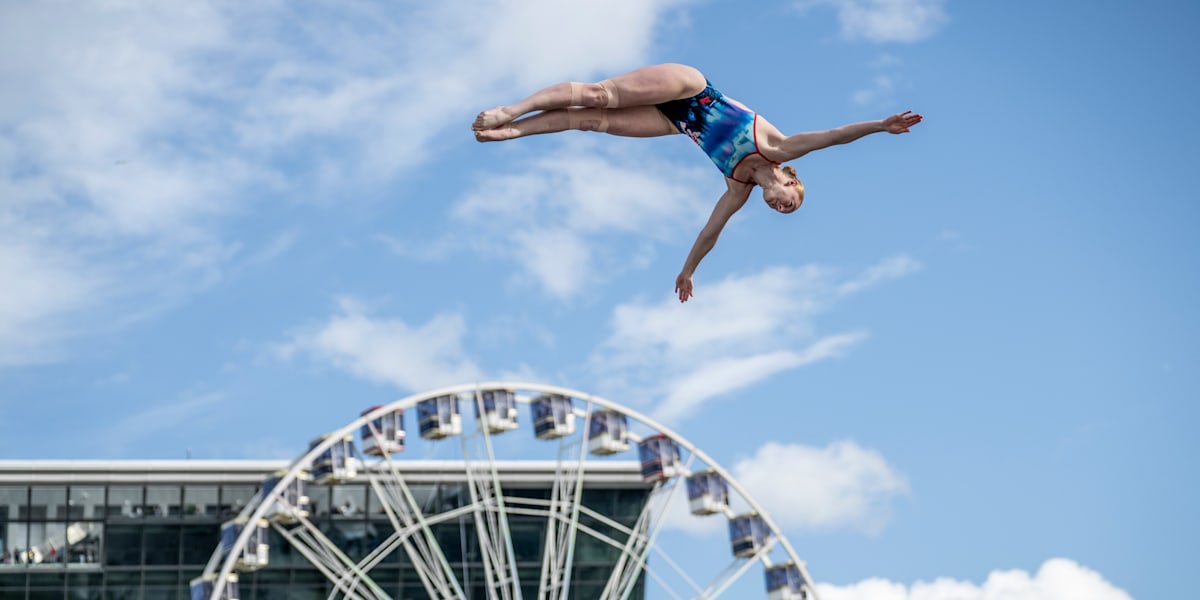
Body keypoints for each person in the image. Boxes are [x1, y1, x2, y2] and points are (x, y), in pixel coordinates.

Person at [472, 63, 922, 302]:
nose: (781, 207)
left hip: (675, 121)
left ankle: (513, 131)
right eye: (790, 202)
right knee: (599, 95)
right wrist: (881, 126)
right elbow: (834, 137)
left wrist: (688, 271)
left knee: (593, 121)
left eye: (782, 211)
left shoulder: (737, 188)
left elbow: (710, 233)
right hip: (692, 89)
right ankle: (511, 110)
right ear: (790, 180)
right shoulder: (780, 149)